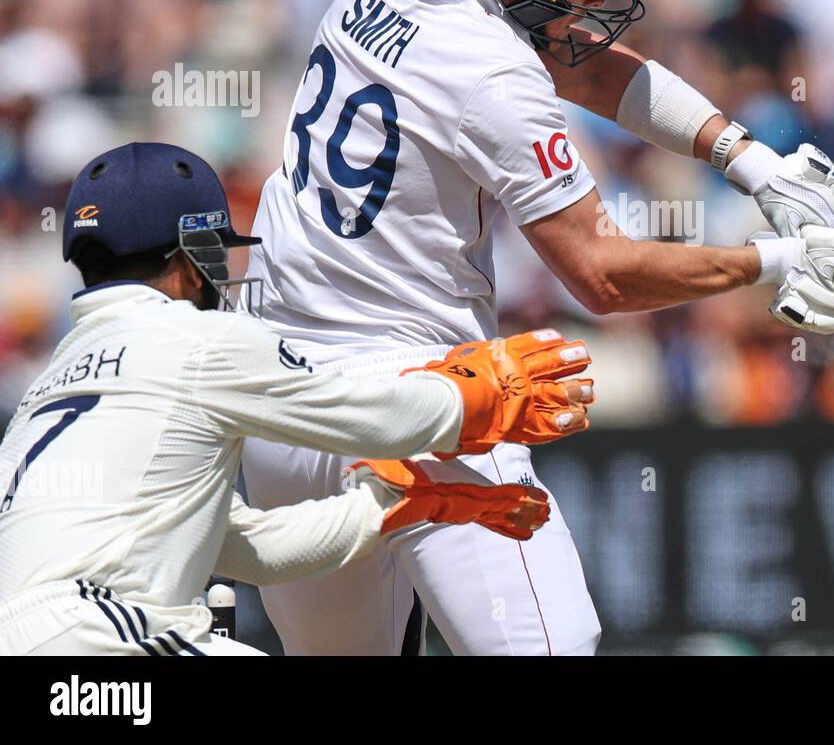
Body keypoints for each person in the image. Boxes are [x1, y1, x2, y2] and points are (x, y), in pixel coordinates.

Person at [243, 0, 834, 655]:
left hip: (276, 402)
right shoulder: (496, 82)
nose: (590, 11)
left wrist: (749, 160)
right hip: (420, 405)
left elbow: (578, 69)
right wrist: (770, 263)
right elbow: (601, 275)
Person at [0, 142, 593, 655]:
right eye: (214, 248)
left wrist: (392, 506)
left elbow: (247, 549)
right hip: (102, 633)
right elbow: (363, 417)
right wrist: (474, 398)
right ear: (189, 255)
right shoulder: (197, 341)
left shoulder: (47, 388)